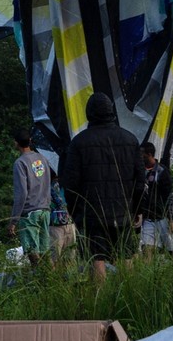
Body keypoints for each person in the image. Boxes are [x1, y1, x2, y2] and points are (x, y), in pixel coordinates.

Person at [58, 93, 144, 283]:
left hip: (92, 215)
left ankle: (100, 297)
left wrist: (75, 212)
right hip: (123, 212)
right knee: (126, 254)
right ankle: (130, 294)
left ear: (88, 113)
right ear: (111, 111)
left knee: (97, 257)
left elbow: (70, 184)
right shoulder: (130, 140)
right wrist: (136, 210)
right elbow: (140, 181)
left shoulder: (79, 143)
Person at [9, 129, 53, 265]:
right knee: (45, 251)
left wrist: (13, 220)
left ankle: (40, 275)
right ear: (30, 141)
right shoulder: (43, 159)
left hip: (30, 212)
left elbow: (21, 194)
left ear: (16, 143)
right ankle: (52, 275)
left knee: (31, 251)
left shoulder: (20, 163)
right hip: (45, 210)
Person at [136, 142, 173, 257]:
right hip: (148, 219)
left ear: (149, 154)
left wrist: (172, 219)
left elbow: (171, 195)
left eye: (142, 154)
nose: (140, 156)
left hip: (163, 217)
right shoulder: (140, 172)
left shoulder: (162, 171)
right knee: (147, 250)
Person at [47, 179, 77, 262]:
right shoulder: (46, 180)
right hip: (54, 223)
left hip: (70, 222)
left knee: (70, 258)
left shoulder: (69, 180)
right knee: (54, 258)